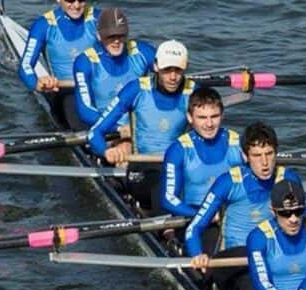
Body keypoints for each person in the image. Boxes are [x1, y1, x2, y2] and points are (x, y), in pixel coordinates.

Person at [186, 123, 302, 290]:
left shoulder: (288, 180)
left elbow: (305, 225)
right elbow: (195, 227)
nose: (265, 163)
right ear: (245, 156)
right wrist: (197, 254)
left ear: (276, 152)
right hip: (234, 260)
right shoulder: (228, 182)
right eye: (257, 156)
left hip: (272, 256)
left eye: (269, 154)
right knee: (251, 276)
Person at [87, 39, 195, 212]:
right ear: (156, 66)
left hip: (177, 167)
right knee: (164, 186)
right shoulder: (136, 90)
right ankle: (169, 225)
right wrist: (106, 151)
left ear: (186, 68)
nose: (173, 77)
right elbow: (95, 132)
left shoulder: (193, 92)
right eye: (167, 70)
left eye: (178, 70)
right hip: (142, 168)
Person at [160, 87, 244, 218]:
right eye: (202, 117)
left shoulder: (238, 144)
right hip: (196, 216)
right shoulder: (178, 150)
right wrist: (205, 216)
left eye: (214, 116)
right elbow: (168, 199)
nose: (209, 124)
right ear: (190, 117)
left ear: (222, 115)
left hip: (233, 215)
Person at [18, 0, 101, 130]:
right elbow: (25, 66)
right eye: (70, 0)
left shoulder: (99, 19)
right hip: (65, 91)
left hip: (97, 87)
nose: (76, 6)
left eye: (81, 0)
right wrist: (37, 84)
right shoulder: (44, 25)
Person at [73, 8, 155, 130]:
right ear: (99, 36)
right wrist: (118, 128)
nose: (116, 41)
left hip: (142, 126)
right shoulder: (85, 62)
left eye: (121, 35)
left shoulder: (143, 51)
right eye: (110, 36)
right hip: (107, 129)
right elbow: (85, 110)